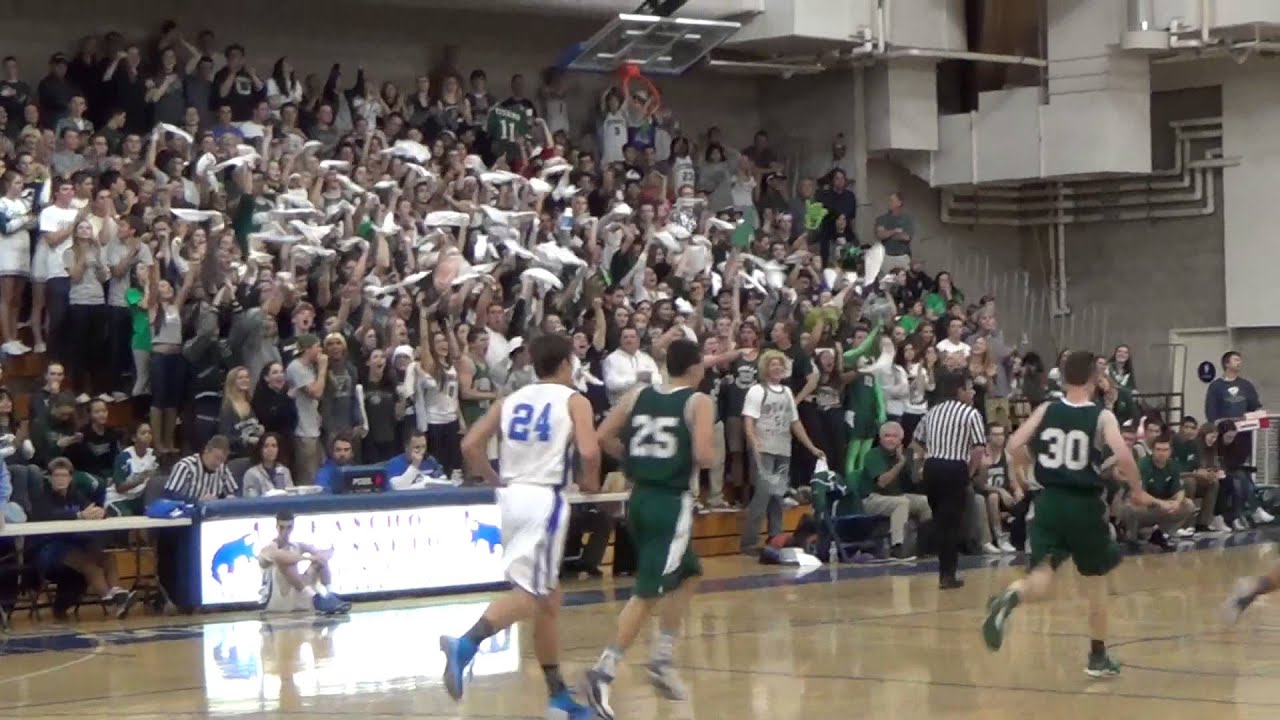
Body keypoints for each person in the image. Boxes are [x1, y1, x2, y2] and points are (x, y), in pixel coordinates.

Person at [438, 333, 600, 720]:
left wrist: (496, 482)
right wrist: (591, 483)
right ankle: (465, 643)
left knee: (548, 600)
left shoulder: (510, 399)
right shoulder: (575, 399)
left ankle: (558, 696)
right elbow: (590, 451)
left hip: (512, 497)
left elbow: (470, 446)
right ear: (565, 364)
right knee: (530, 596)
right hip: (545, 499)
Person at [981, 350, 1152, 677]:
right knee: (1096, 583)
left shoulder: (1047, 409)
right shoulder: (1102, 416)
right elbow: (1125, 457)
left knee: (1042, 573)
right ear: (1093, 379)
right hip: (1084, 505)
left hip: (1049, 503)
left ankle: (1011, 596)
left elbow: (1014, 444)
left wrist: (1027, 471)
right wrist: (1138, 490)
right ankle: (1098, 656)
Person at [582, 339, 715, 719]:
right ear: (696, 367)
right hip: (671, 502)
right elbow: (705, 455)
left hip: (638, 498)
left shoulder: (637, 395)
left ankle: (661, 657)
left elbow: (603, 436)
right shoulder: (698, 401)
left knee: (689, 573)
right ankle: (603, 671)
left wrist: (638, 459)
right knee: (648, 591)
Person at [911, 369, 986, 589]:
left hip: (933, 467)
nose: (972, 393)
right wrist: (970, 472)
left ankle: (942, 568)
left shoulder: (932, 412)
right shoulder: (971, 413)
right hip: (955, 468)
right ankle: (947, 575)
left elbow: (916, 441)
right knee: (952, 523)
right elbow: (979, 449)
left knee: (940, 519)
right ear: (959, 390)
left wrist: (923, 462)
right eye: (969, 388)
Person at [257, 510, 350, 615]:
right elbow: (281, 557)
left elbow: (326, 554)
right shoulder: (268, 549)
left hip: (299, 598)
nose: (285, 532)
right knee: (286, 564)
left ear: (293, 527)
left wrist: (318, 557)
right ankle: (316, 599)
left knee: (320, 561)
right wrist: (310, 558)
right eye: (281, 528)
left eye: (289, 528)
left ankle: (330, 596)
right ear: (276, 527)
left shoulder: (297, 545)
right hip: (277, 602)